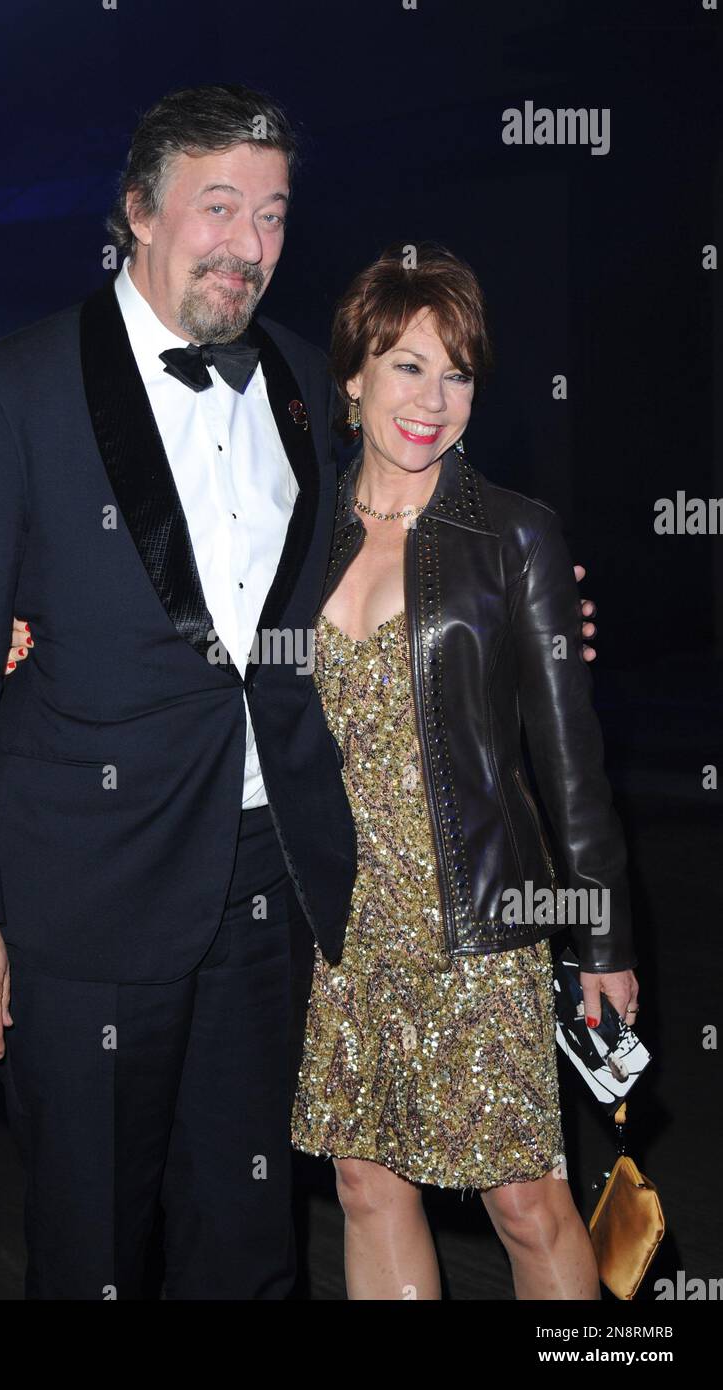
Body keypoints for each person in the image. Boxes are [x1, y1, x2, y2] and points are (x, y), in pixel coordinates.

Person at [0, 82, 599, 1301]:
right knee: (96, 1247)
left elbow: (404, 519)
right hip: (88, 906)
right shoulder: (7, 389)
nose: (249, 243)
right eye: (217, 206)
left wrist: (534, 604)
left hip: (280, 889)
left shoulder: (290, 377)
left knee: (252, 1243)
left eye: (272, 214)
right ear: (136, 213)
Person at [288, 243, 639, 1300]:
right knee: (364, 1181)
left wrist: (603, 942)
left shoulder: (514, 534)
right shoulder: (295, 530)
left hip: (478, 913)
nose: (433, 400)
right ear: (351, 376)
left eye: (457, 372)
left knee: (528, 1201)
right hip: (341, 924)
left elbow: (572, 762)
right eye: (407, 366)